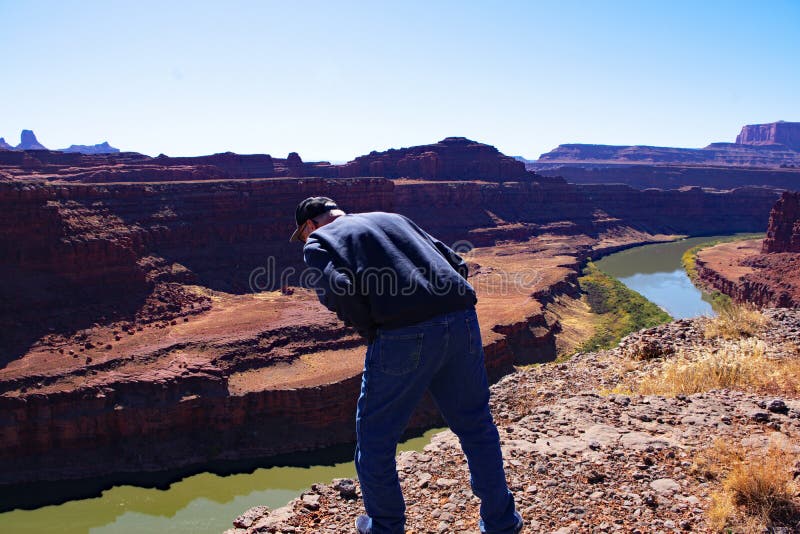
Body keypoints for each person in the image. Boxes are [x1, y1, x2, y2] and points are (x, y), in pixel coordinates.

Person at [290, 196, 523, 534]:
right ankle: (502, 522)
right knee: (475, 426)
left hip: (402, 333)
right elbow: (456, 263)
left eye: (302, 234)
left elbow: (339, 288)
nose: (305, 239)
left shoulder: (319, 241)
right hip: (461, 320)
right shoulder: (394, 218)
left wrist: (372, 330)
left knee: (375, 442)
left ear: (309, 225)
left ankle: (385, 527)